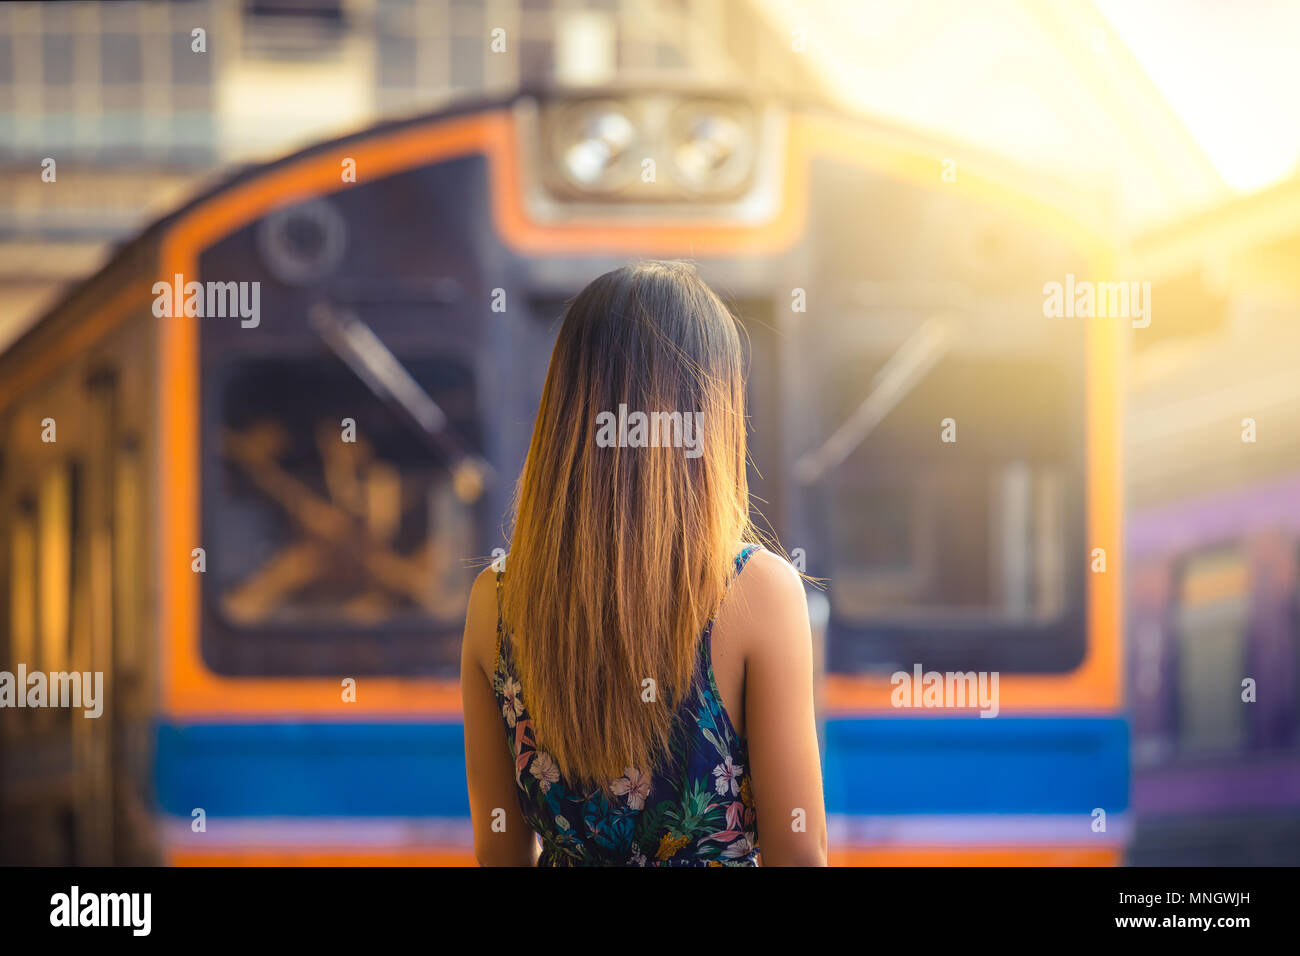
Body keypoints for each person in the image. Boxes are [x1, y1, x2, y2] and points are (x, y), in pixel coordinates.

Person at [461, 260, 826, 866]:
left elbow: (499, 853)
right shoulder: (758, 590)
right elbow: (799, 851)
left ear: (567, 413)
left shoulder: (494, 602)